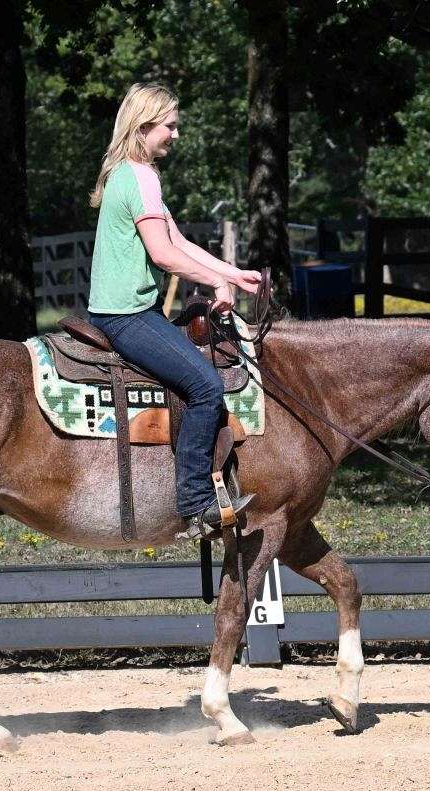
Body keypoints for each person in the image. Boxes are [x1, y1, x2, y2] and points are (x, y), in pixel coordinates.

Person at [86, 82, 262, 540]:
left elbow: (179, 242)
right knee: (205, 386)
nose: (175, 135)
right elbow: (163, 256)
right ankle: (196, 505)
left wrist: (234, 273)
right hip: (127, 316)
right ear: (144, 126)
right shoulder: (141, 177)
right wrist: (216, 282)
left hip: (124, 312)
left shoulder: (129, 172)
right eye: (170, 126)